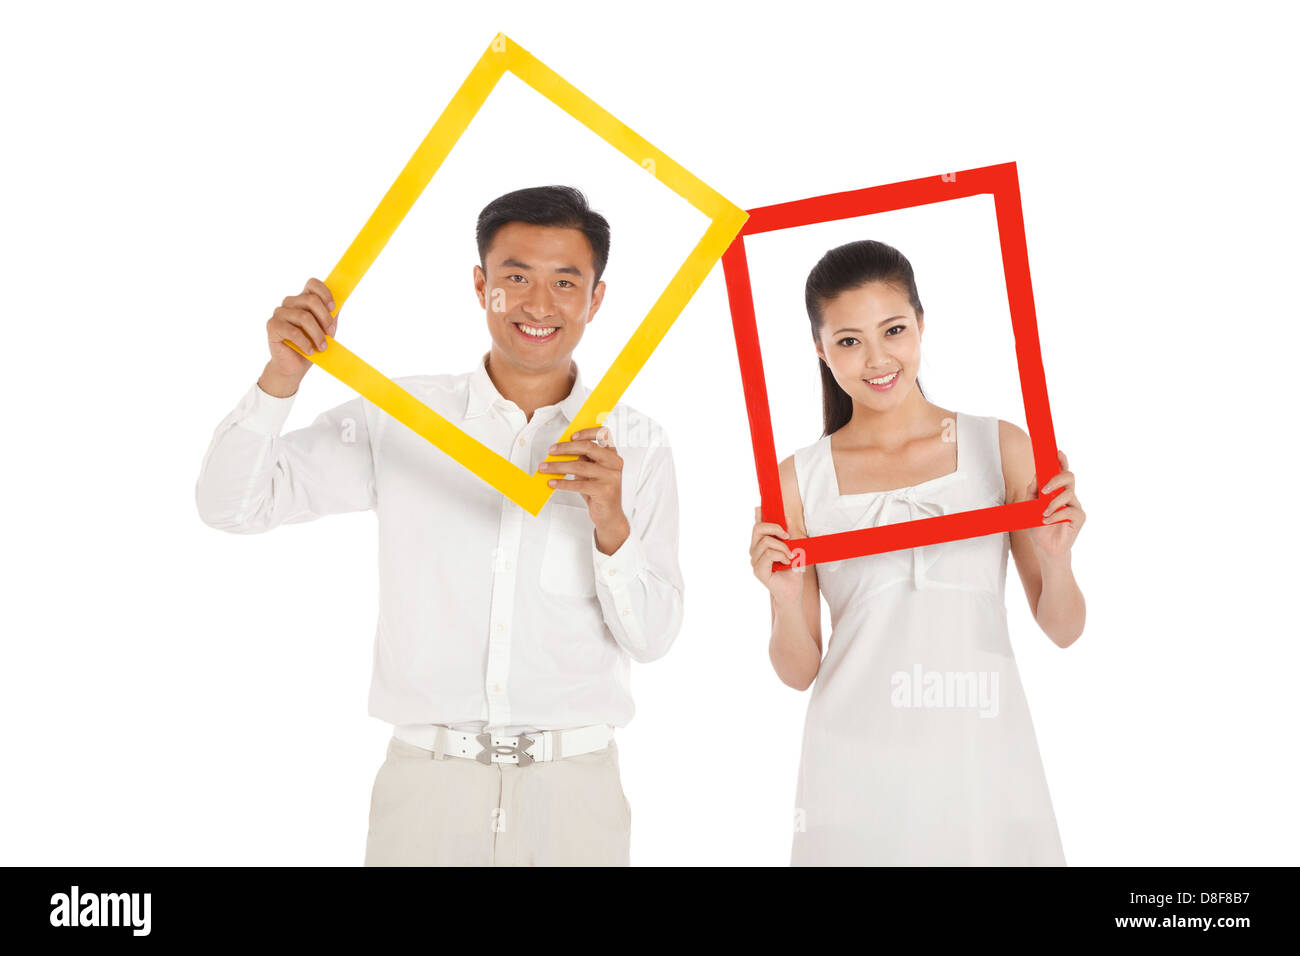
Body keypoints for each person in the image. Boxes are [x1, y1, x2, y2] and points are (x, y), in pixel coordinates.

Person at [195, 185, 684, 866]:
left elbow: (655, 636)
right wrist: (281, 375)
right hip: (424, 787)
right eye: (515, 277)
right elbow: (231, 504)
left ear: (597, 299)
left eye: (565, 282)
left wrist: (611, 522)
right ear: (481, 286)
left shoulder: (639, 444)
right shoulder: (400, 417)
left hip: (577, 795)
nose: (538, 305)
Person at [749, 239, 1085, 866]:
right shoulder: (797, 482)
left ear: (921, 326)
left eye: (894, 330)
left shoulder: (1002, 447)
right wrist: (783, 597)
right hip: (854, 769)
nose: (877, 359)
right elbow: (797, 671)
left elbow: (1064, 628)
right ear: (820, 350)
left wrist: (1057, 556)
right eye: (848, 341)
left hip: (982, 758)